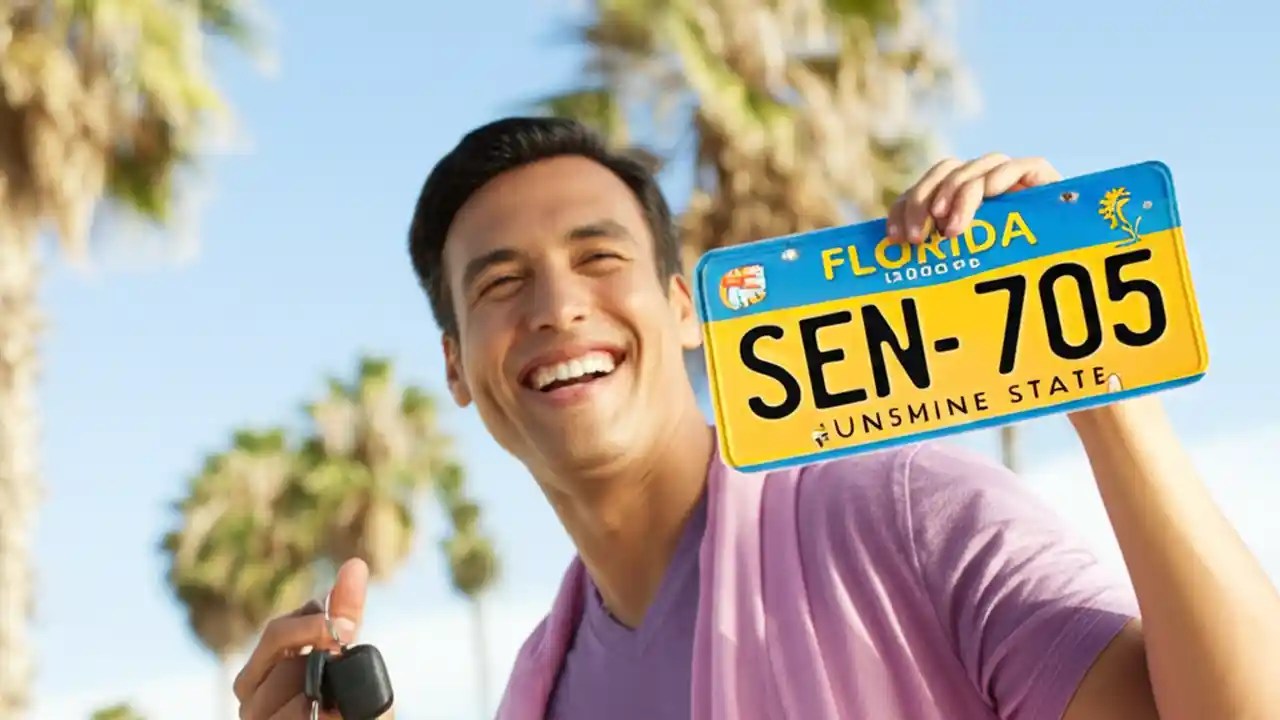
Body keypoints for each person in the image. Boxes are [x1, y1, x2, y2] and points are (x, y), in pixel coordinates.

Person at [232, 117, 1280, 719]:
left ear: (683, 308)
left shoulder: (904, 516)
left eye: (599, 259)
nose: (555, 308)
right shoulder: (534, 697)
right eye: (501, 284)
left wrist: (1099, 394)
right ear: (457, 368)